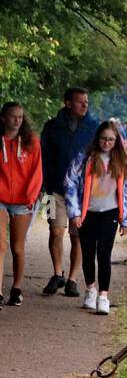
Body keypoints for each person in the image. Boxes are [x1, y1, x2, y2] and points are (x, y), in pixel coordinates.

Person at [65, 121, 127, 316]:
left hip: (110, 213)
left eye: (111, 140)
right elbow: (70, 184)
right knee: (88, 253)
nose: (107, 143)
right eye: (103, 139)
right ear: (97, 138)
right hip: (88, 213)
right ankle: (90, 289)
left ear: (117, 141)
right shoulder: (84, 158)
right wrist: (75, 213)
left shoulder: (122, 161)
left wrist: (126, 219)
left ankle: (103, 296)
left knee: (104, 255)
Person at [40, 87, 98, 298]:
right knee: (55, 231)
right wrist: (41, 188)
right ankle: (58, 274)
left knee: (78, 237)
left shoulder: (94, 128)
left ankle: (73, 279)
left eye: (87, 102)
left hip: (82, 194)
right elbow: (43, 159)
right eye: (80, 101)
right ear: (68, 103)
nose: (85, 105)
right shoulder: (51, 128)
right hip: (53, 190)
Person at [0, 102, 43, 306]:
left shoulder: (31, 141)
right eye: (13, 116)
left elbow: (37, 171)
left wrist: (31, 197)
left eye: (20, 117)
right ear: (4, 118)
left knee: (17, 247)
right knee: (0, 245)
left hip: (22, 201)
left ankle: (16, 288)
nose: (17, 120)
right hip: (0, 199)